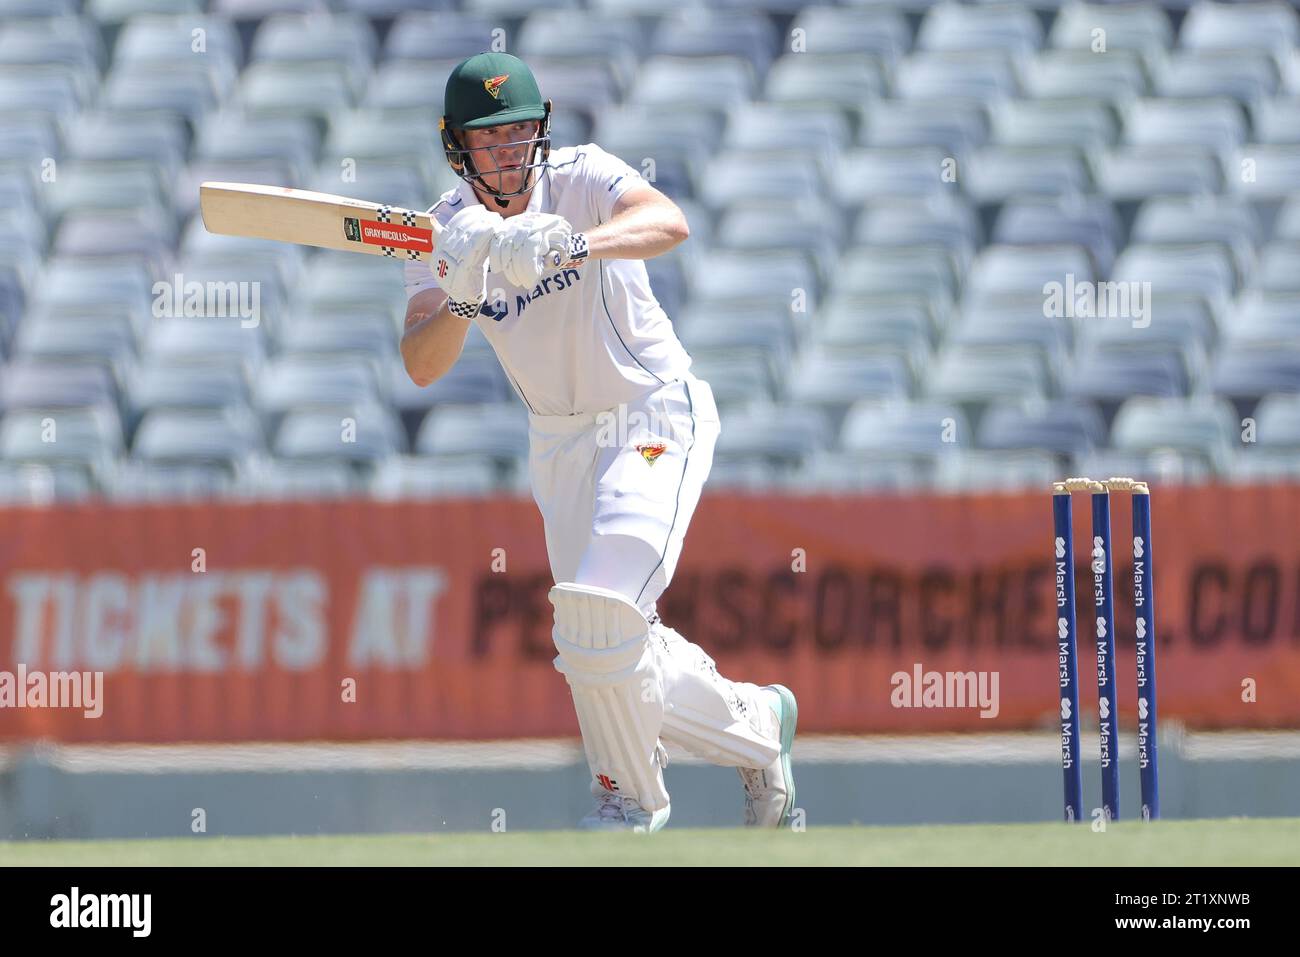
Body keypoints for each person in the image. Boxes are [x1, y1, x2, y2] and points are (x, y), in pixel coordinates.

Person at [400, 52, 797, 832]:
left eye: (520, 134)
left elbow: (667, 221)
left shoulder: (581, 177)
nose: (510, 152)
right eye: (490, 140)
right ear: (457, 149)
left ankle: (627, 802)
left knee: (598, 608)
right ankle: (756, 724)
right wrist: (463, 294)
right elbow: (420, 361)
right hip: (560, 442)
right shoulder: (443, 232)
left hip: (650, 411)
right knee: (603, 638)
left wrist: (570, 246)